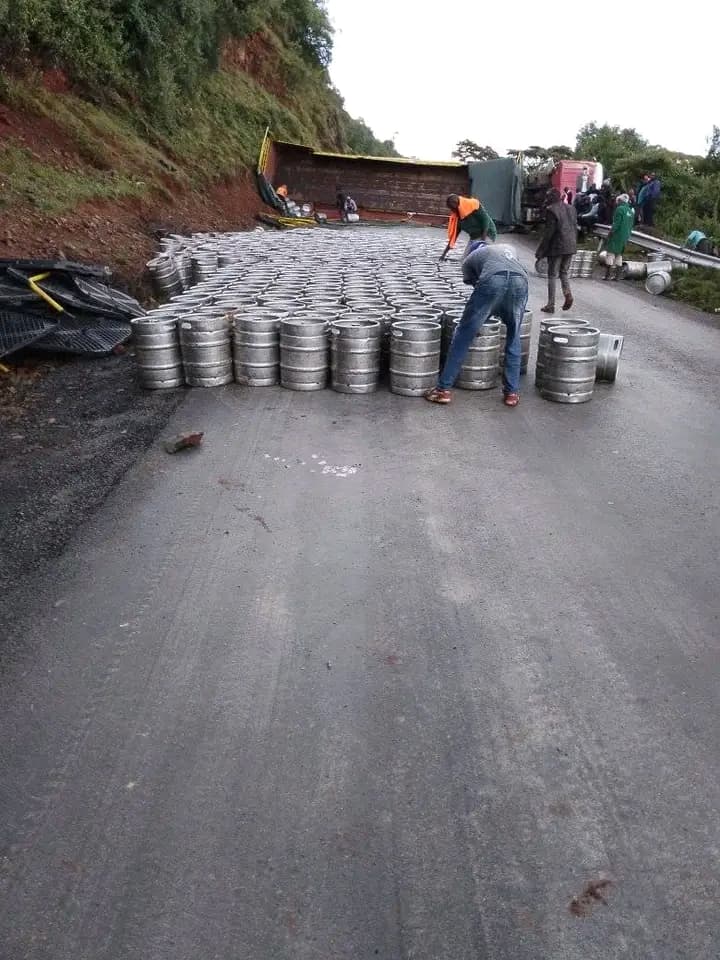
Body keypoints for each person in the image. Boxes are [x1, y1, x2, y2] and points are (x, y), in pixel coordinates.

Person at [425, 241, 528, 408]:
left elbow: (476, 285)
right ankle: (512, 393)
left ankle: (442, 389)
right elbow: (510, 275)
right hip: (521, 282)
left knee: (463, 335)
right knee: (513, 336)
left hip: (492, 280)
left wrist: (477, 320)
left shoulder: (469, 259)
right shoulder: (509, 247)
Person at [536, 187, 577, 313]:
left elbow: (549, 233)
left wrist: (541, 251)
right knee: (563, 272)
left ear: (551, 198)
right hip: (571, 245)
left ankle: (550, 304)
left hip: (557, 246)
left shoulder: (551, 210)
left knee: (552, 275)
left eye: (548, 197)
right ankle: (568, 294)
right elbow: (574, 227)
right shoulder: (571, 208)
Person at [439, 194, 497, 261]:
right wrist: (444, 254)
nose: (451, 210)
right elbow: (453, 238)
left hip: (487, 233)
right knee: (465, 260)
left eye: (452, 208)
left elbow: (486, 220)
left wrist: (482, 240)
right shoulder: (457, 218)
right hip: (474, 237)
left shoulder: (473, 205)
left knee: (478, 258)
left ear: (456, 204)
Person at [602, 193, 635, 280]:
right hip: (625, 236)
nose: (616, 203)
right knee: (619, 254)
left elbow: (616, 223)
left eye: (617, 201)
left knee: (610, 253)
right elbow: (631, 226)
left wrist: (610, 233)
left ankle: (607, 275)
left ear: (620, 201)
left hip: (617, 235)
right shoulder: (631, 211)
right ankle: (617, 277)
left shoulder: (619, 209)